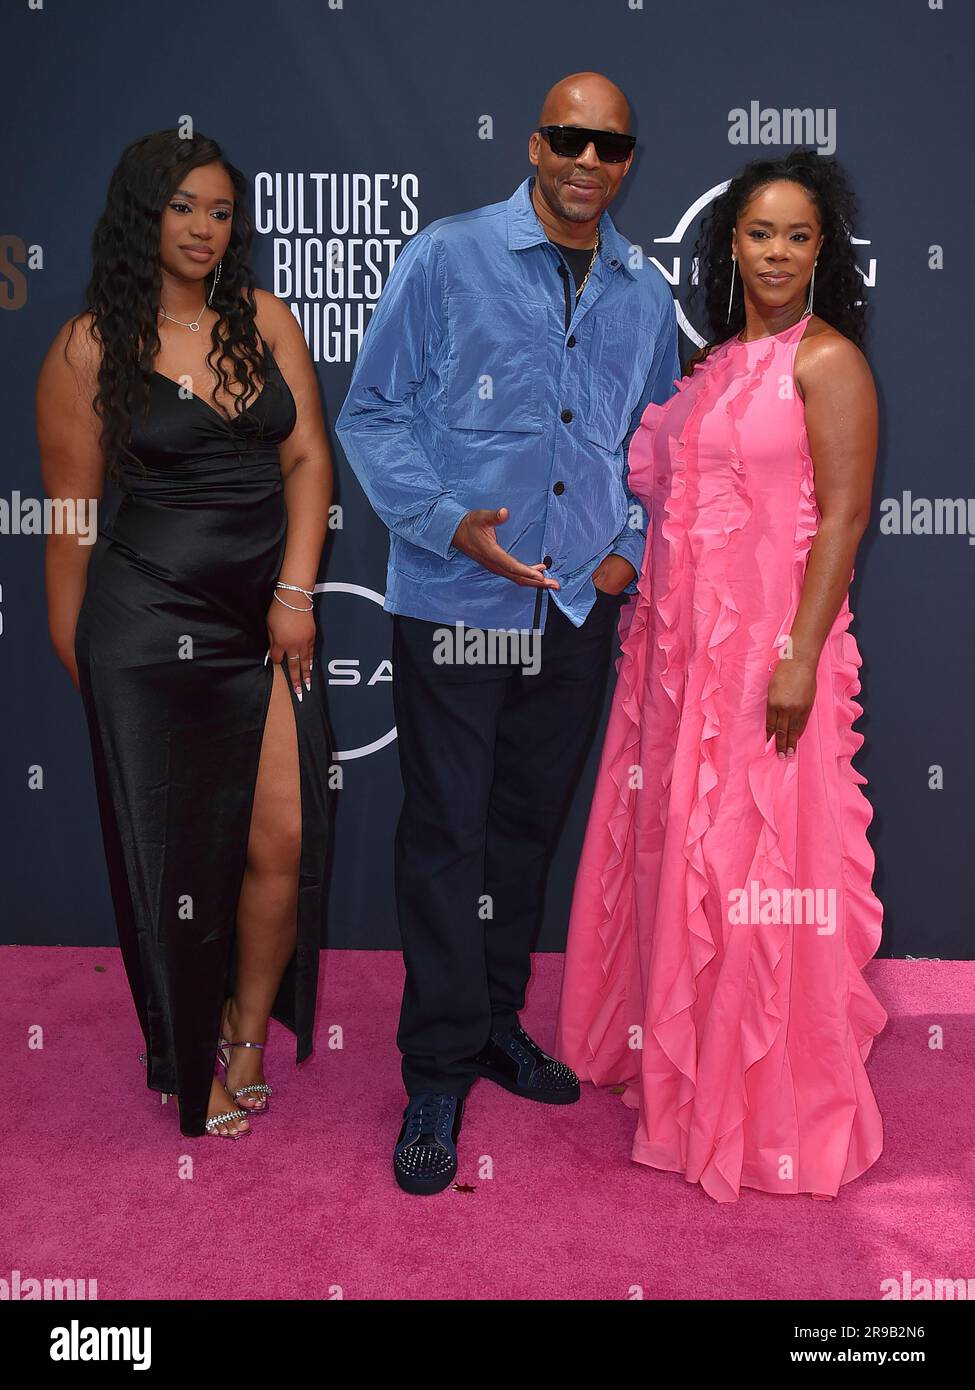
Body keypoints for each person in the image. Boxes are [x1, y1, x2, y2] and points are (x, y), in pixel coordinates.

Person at [337, 72, 679, 1194]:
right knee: (447, 835)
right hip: (454, 603)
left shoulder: (640, 288)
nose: (588, 160)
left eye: (610, 146)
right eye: (570, 138)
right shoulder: (449, 256)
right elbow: (374, 411)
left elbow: (649, 444)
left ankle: (492, 1023)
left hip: (575, 609)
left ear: (628, 162)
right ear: (536, 143)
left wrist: (626, 543)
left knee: (525, 831)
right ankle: (434, 1067)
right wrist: (444, 525)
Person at [556, 150, 887, 1202]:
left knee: (754, 870)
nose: (778, 252)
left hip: (768, 661)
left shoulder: (827, 363)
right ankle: (679, 1077)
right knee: (684, 864)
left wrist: (797, 655)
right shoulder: (718, 366)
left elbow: (841, 517)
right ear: (730, 244)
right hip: (679, 661)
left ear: (823, 248)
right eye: (759, 233)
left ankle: (758, 1113)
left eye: (797, 234)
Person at [37, 130, 334, 1139]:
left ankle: (246, 1031)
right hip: (141, 624)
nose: (205, 227)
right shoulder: (89, 348)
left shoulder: (262, 319)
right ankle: (187, 1056)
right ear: (142, 216)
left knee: (283, 840)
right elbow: (71, 520)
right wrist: (84, 654)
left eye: (219, 209)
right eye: (182, 208)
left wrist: (294, 592)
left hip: (261, 619)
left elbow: (307, 461)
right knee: (165, 859)